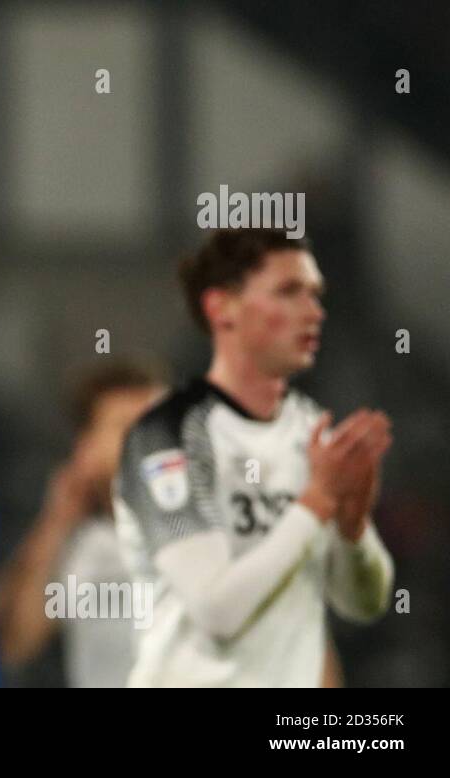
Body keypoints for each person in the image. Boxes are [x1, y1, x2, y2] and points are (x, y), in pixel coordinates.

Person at [113, 229, 394, 687]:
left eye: (315, 295)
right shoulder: (165, 437)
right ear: (220, 307)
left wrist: (354, 528)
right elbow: (216, 610)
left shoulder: (310, 431)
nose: (314, 313)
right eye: (288, 292)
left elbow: (363, 603)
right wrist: (319, 501)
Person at [0, 363, 164, 687]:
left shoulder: (208, 530)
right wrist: (56, 520)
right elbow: (16, 642)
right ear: (87, 448)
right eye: (127, 427)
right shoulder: (79, 547)